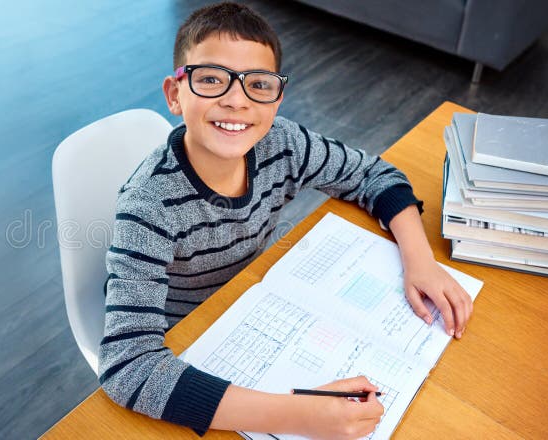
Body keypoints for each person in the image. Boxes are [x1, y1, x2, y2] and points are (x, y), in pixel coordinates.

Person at [99, 2, 472, 438]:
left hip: (258, 299)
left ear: (277, 98)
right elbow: (127, 365)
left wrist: (419, 259)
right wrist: (299, 415)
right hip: (190, 336)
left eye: (258, 84)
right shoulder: (148, 203)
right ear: (175, 94)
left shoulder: (282, 143)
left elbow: (374, 174)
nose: (236, 100)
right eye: (211, 79)